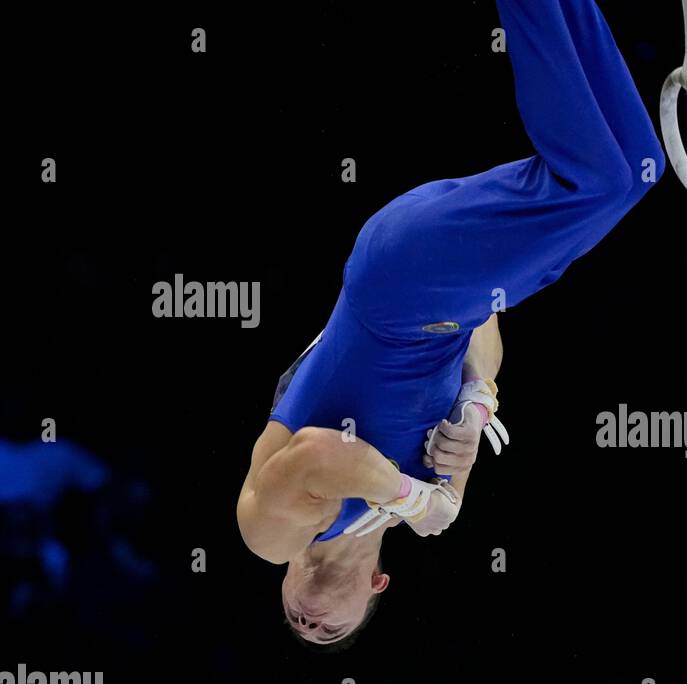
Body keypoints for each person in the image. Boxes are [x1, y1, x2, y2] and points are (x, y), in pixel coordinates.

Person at [236, 0, 664, 647]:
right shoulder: (439, 495)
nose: (310, 623)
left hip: (395, 286)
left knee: (592, 183)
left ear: (286, 581)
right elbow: (483, 331)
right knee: (632, 171)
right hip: (452, 303)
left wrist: (419, 500)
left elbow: (322, 456)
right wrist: (478, 401)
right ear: (378, 588)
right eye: (329, 632)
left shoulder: (277, 533)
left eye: (297, 620)